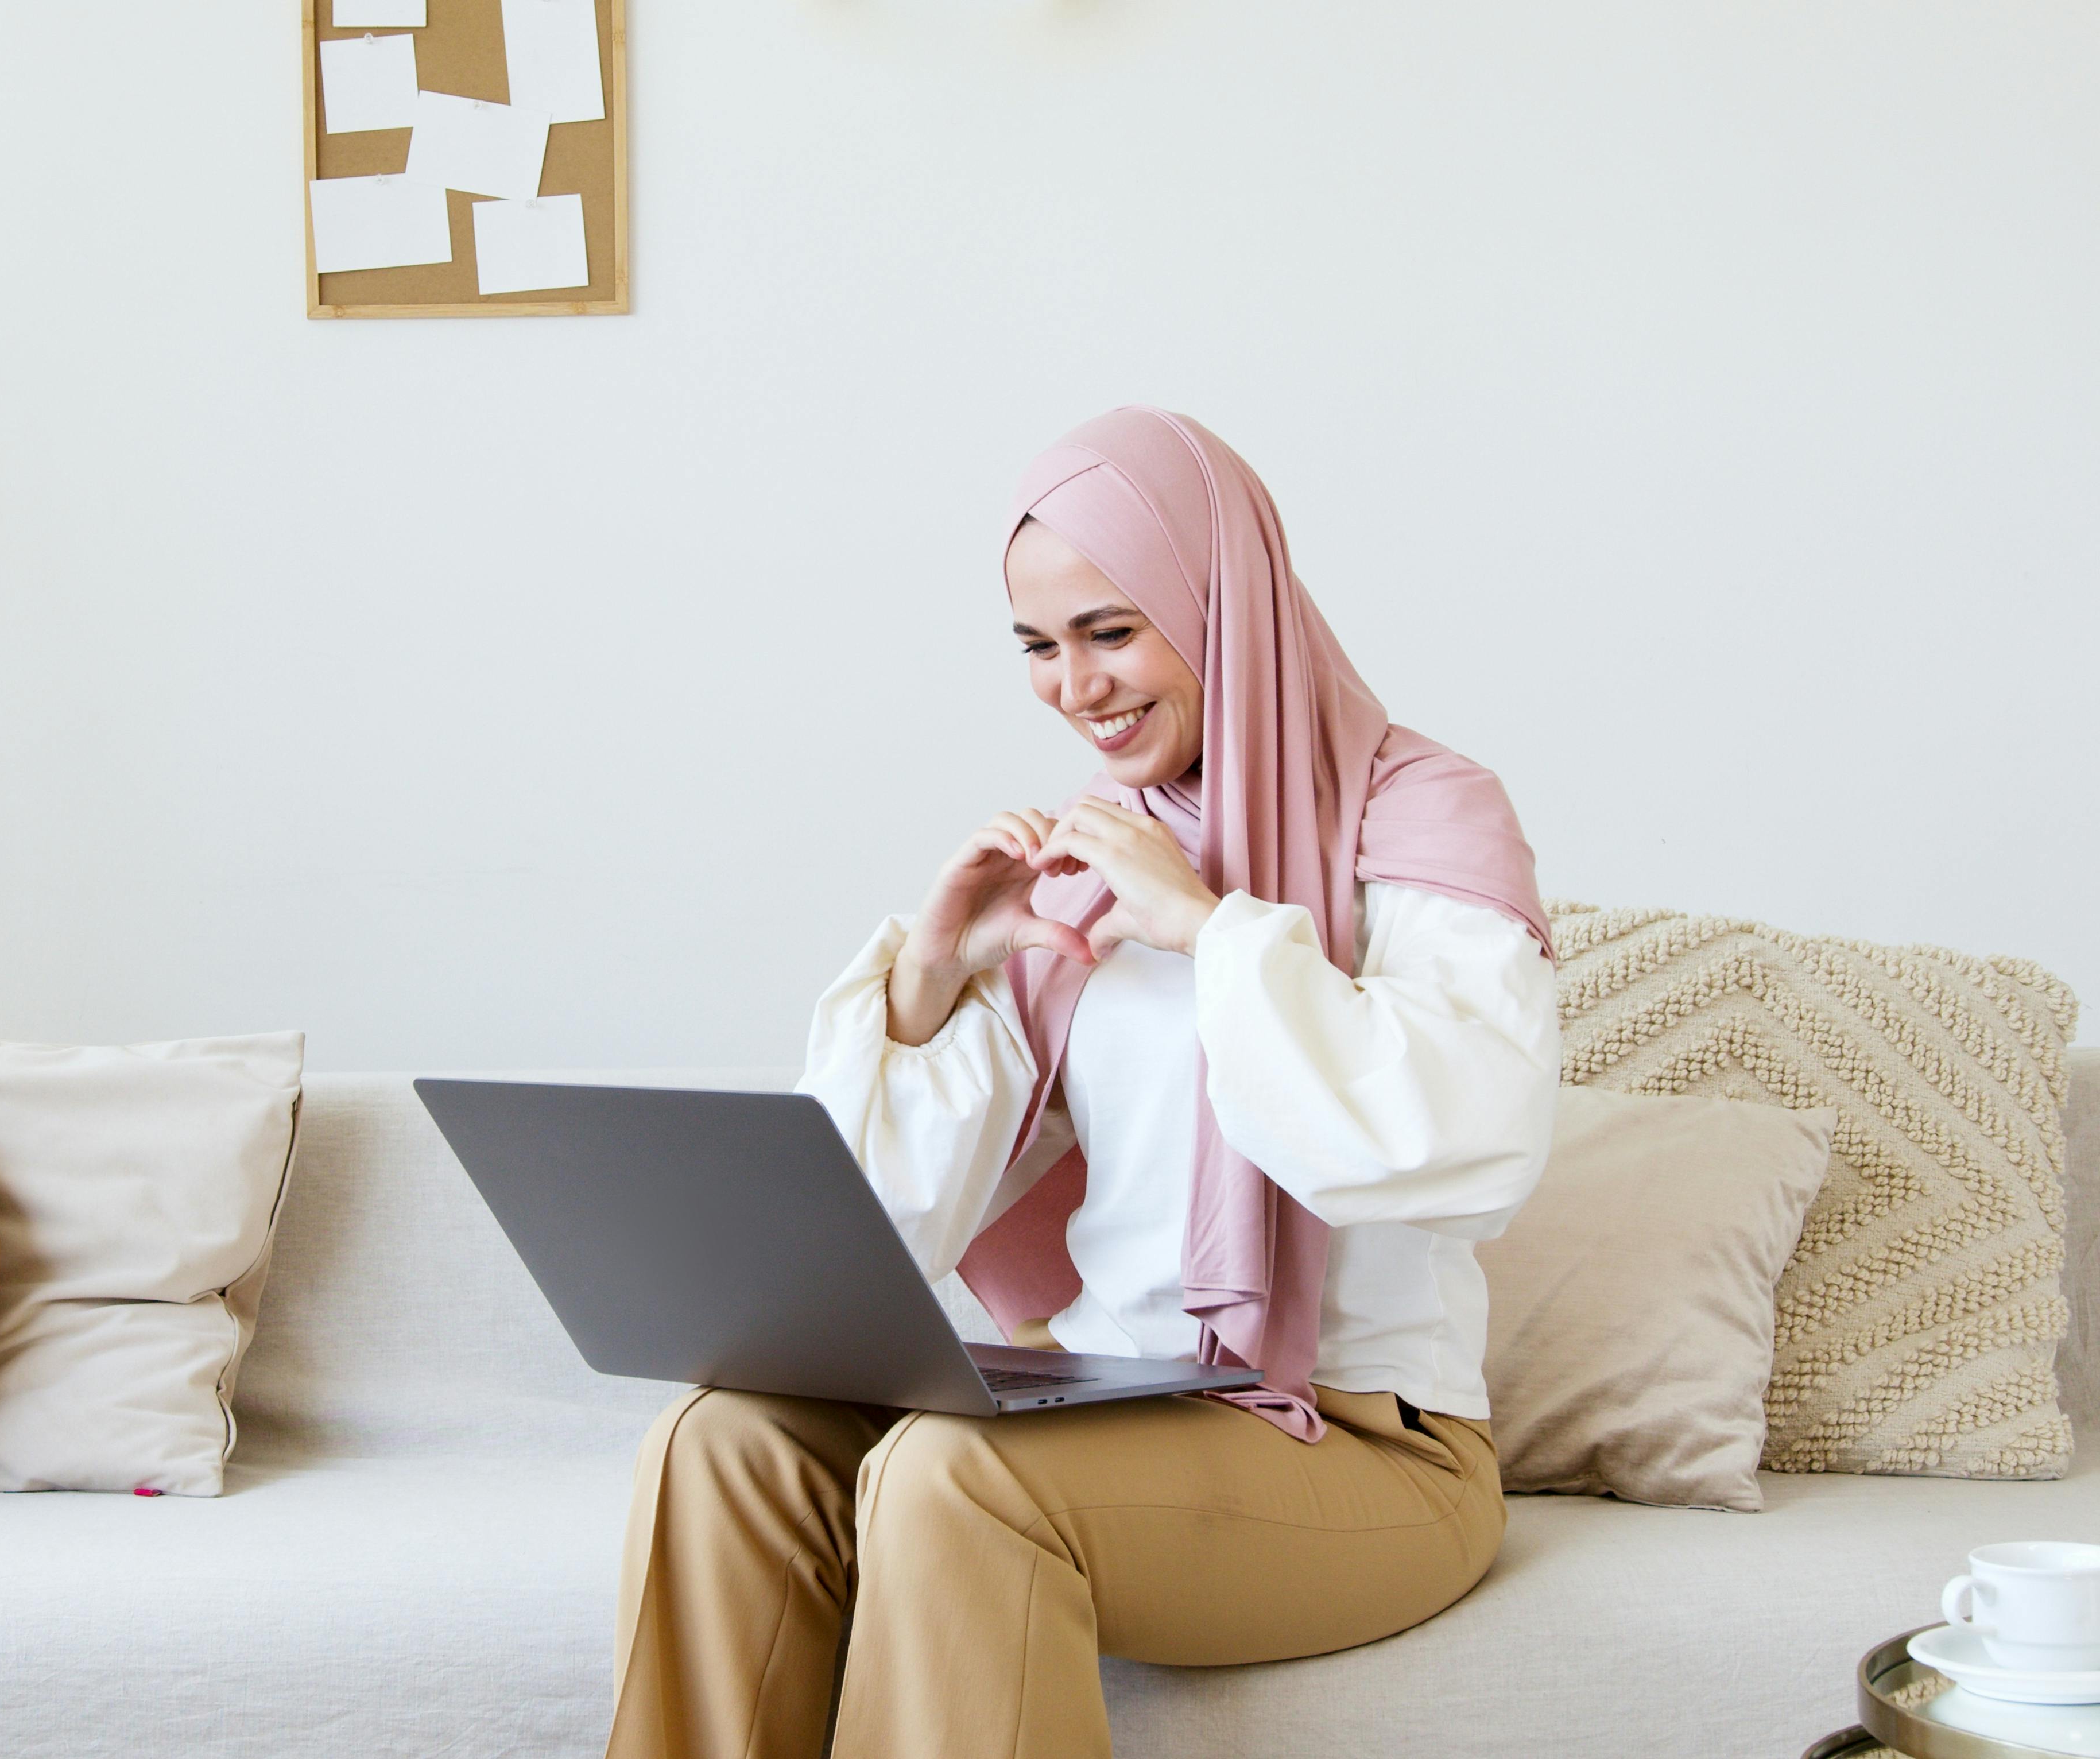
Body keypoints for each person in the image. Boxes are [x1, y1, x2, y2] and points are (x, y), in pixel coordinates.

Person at [603, 408, 1562, 1759]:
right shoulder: (1087, 862)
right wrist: (934, 970)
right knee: (727, 1438)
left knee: (954, 1479)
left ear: (1225, 606)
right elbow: (881, 1240)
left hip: (1366, 1441)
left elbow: (1461, 1145)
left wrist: (1213, 929)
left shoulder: (1419, 820)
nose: (1074, 687)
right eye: (1038, 648)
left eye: (1112, 631)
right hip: (1112, 1399)